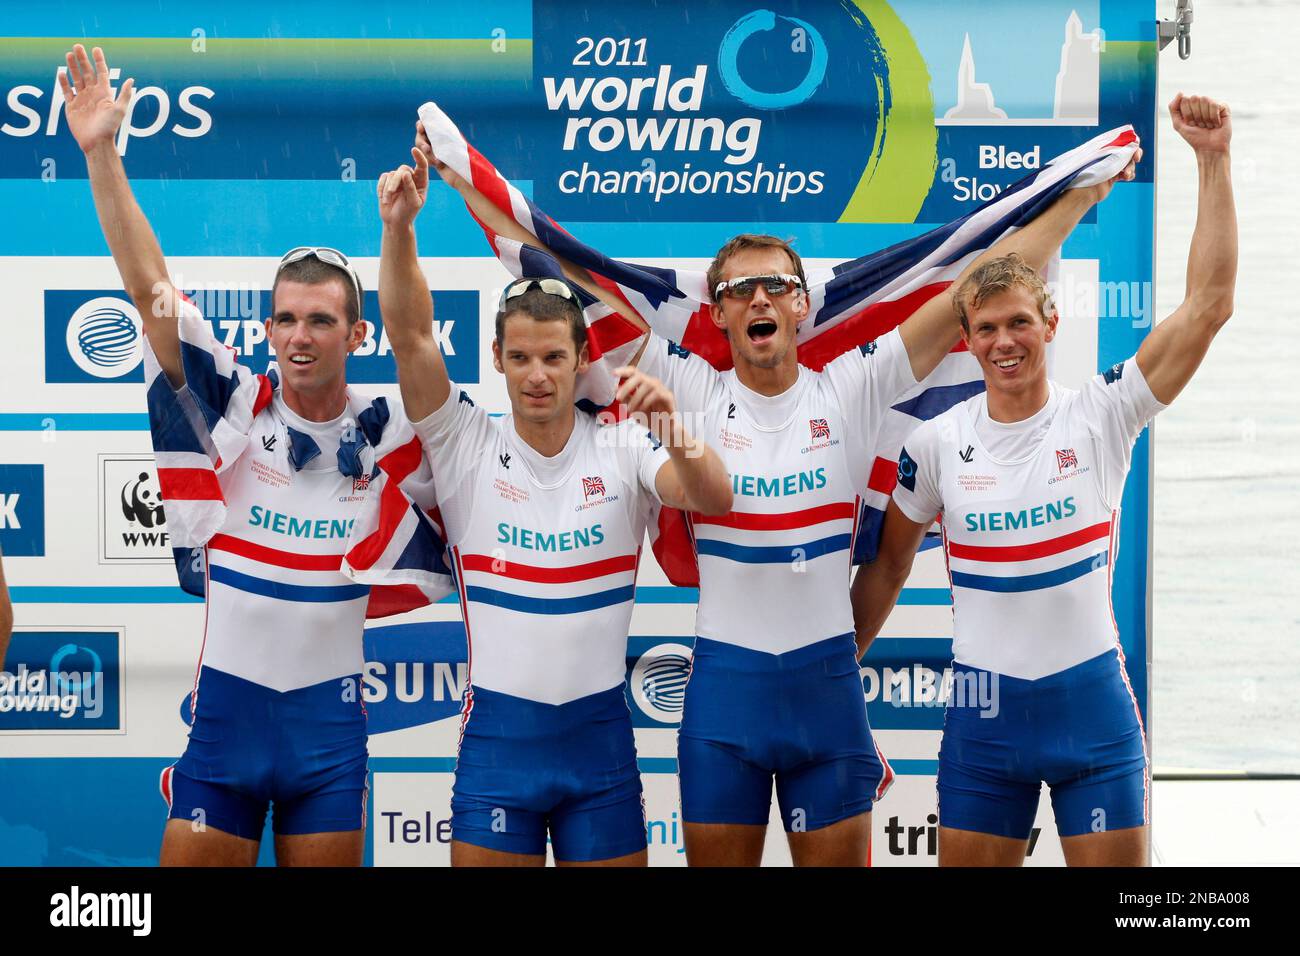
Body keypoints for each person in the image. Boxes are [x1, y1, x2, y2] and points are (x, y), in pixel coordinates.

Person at [415, 121, 1139, 866]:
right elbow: (565, 271)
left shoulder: (853, 387)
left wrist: (1077, 197)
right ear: (720, 314)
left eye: (777, 286)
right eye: (740, 289)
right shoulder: (687, 383)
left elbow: (967, 289)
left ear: (801, 307)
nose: (759, 297)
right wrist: (466, 176)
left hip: (826, 703)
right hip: (724, 707)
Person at [851, 94, 1235, 867]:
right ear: (966, 340)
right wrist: (830, 679)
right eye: (986, 328)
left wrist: (1213, 160)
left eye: (1019, 322)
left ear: (1049, 323)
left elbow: (1207, 307)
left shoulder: (1103, 413)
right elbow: (888, 565)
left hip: (1092, 718)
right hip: (983, 725)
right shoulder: (933, 445)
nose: (1004, 341)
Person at [62, 44, 422, 866]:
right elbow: (148, 286)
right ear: (266, 329)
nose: (300, 337)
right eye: (285, 320)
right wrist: (102, 157)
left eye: (322, 321)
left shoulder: (397, 432)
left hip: (328, 739)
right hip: (225, 727)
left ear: (357, 334)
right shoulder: (230, 403)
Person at [368, 148, 732, 865]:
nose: (537, 376)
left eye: (554, 359)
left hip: (598, 753)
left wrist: (672, 427)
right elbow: (410, 339)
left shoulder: (626, 445)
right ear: (499, 357)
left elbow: (712, 497)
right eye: (522, 358)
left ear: (579, 359)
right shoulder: (462, 442)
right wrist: (400, 230)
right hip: (499, 752)